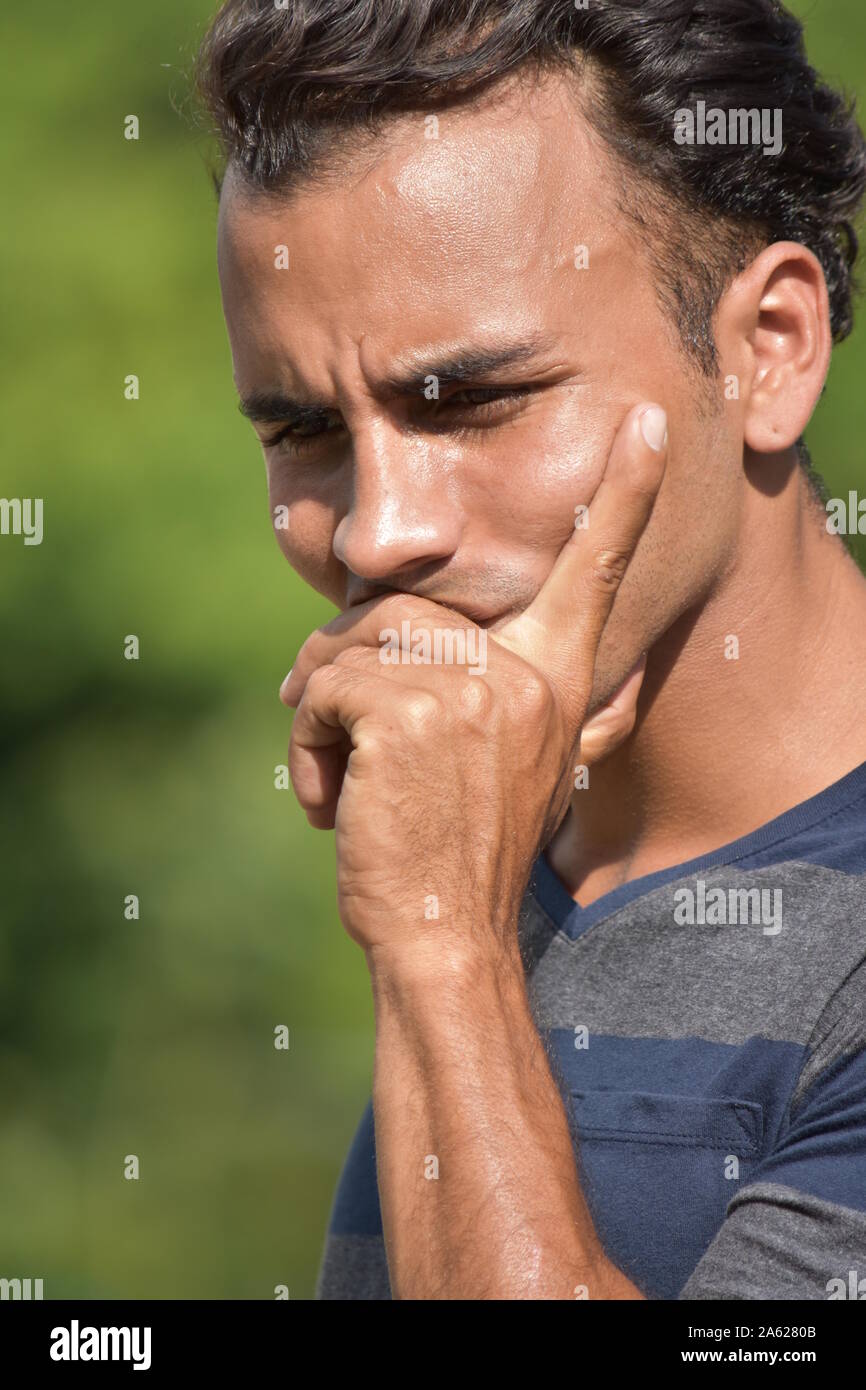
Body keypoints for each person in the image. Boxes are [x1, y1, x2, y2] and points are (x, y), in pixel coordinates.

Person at [196, 0, 866, 1299]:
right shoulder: (498, 850)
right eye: (299, 431)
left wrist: (442, 945)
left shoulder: (449, 903)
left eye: (471, 399)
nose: (378, 534)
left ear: (768, 351)